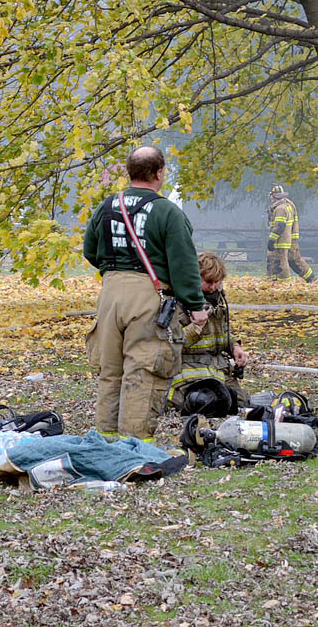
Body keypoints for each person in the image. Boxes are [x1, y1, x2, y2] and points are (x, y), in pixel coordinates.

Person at [82, 146, 208, 441]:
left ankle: (105, 440)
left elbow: (90, 249)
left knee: (110, 370)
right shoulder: (167, 212)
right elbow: (184, 264)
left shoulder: (107, 206)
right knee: (144, 369)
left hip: (110, 294)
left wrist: (115, 272)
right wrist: (195, 305)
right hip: (149, 296)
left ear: (129, 172)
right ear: (160, 173)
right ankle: (136, 445)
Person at [167, 251, 249, 416]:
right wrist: (196, 327)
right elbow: (170, 346)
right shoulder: (178, 304)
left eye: (216, 282)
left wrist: (234, 347)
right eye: (208, 282)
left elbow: (222, 333)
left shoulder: (218, 302)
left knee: (239, 403)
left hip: (216, 371)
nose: (212, 287)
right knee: (201, 403)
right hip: (187, 374)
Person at [266, 184, 315, 283]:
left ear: (273, 196)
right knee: (295, 260)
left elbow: (279, 226)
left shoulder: (280, 209)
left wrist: (271, 240)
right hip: (291, 239)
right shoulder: (289, 205)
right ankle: (311, 278)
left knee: (280, 262)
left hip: (281, 241)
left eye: (271, 195)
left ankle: (283, 283)